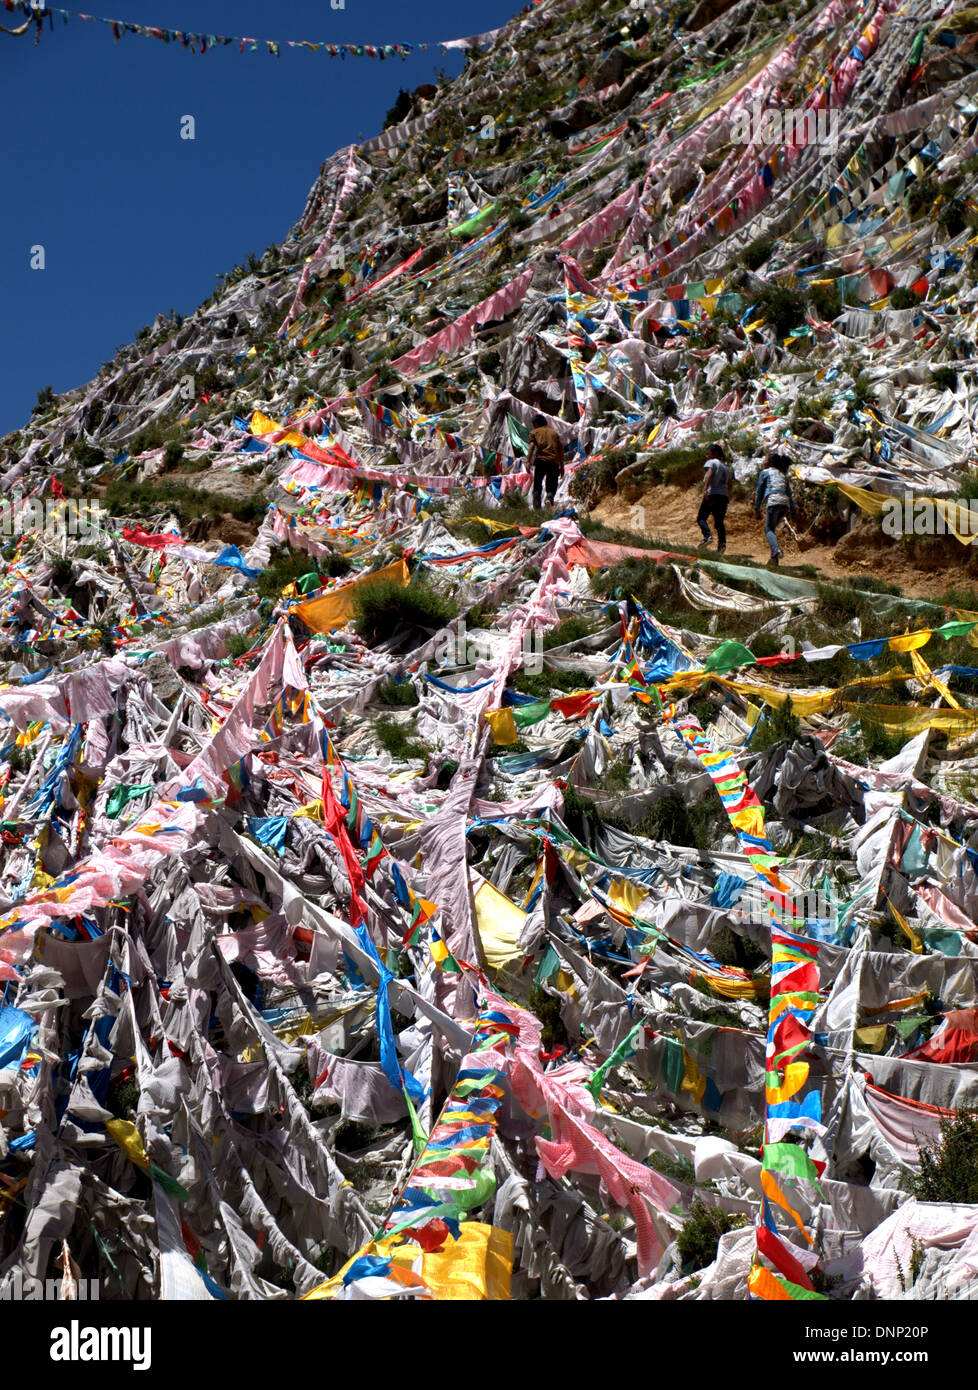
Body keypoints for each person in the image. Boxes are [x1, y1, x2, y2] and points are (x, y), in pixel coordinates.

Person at [754, 451, 796, 566]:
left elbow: (759, 491)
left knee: (768, 530)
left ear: (770, 462)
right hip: (784, 504)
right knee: (772, 529)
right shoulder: (783, 475)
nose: (764, 461)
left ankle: (776, 551)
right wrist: (793, 511)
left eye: (766, 459)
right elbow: (790, 494)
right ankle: (773, 560)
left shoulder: (765, 473)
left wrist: (756, 509)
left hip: (773, 502)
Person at [696, 442, 730, 552]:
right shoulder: (726, 467)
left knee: (701, 517)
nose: (707, 456)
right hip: (723, 496)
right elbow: (730, 484)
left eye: (708, 453)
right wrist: (727, 494)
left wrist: (705, 489)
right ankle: (722, 544)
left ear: (715, 453)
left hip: (713, 494)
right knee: (719, 522)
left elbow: (709, 474)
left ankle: (707, 536)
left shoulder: (711, 462)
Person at [527, 413, 564, 510]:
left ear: (536, 424)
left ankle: (537, 508)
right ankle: (549, 497)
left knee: (537, 485)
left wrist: (528, 461)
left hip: (541, 461)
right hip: (554, 462)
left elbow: (531, 447)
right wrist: (562, 466)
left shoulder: (534, 432)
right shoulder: (554, 433)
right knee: (552, 484)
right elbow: (561, 449)